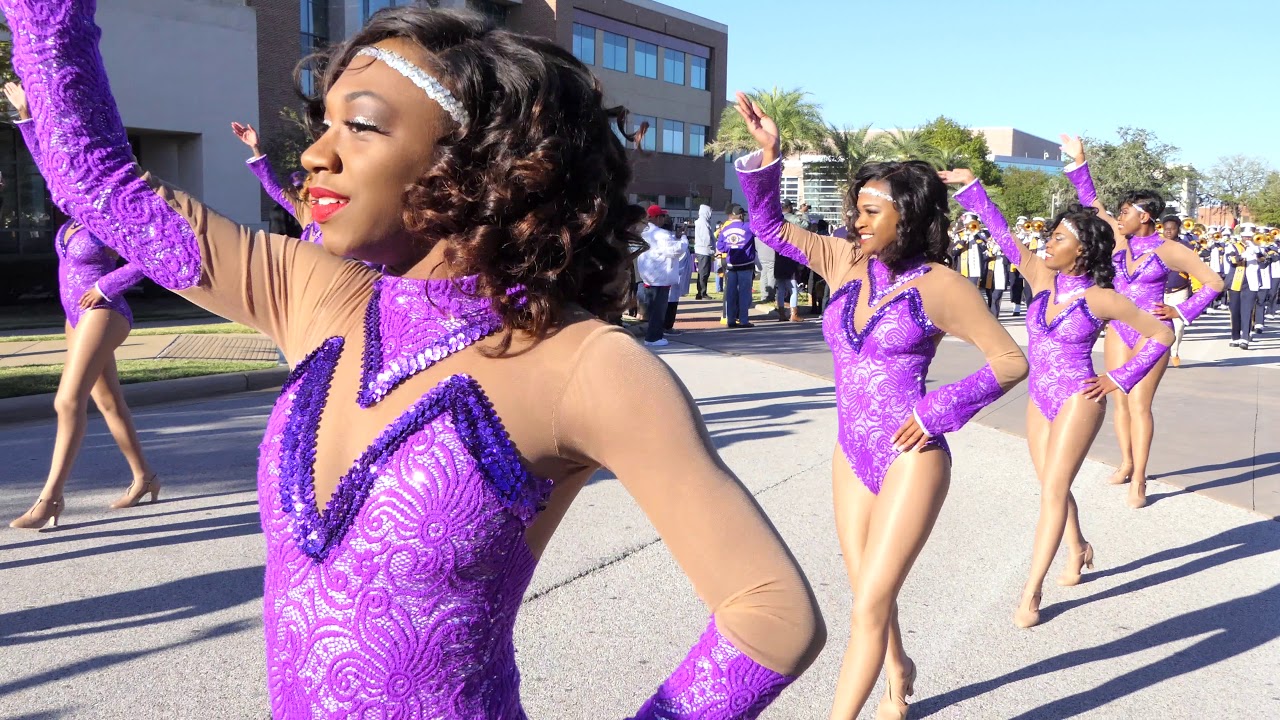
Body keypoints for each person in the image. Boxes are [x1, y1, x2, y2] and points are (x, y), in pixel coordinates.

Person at [7, 4, 826, 715]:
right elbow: (99, 185)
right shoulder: (315, 295)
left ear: (476, 158)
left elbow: (770, 614)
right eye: (323, 123)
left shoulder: (583, 362)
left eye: (360, 125)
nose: (316, 154)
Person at [733, 93, 1027, 720]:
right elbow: (769, 228)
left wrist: (934, 412)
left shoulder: (944, 286)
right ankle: (897, 668)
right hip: (851, 452)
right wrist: (768, 156)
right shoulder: (844, 260)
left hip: (910, 455)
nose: (857, 221)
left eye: (870, 211)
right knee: (867, 589)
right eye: (855, 210)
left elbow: (1010, 361)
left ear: (908, 216)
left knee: (868, 605)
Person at [945, 169, 1172, 629]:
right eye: (1050, 236)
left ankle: (1031, 591)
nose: (1048, 243)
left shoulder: (1102, 298)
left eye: (1059, 238)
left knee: (1052, 490)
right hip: (1039, 396)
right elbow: (1004, 236)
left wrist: (1120, 377)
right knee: (1052, 485)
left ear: (1082, 250)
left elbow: (1161, 334)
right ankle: (1079, 547)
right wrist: (973, 190)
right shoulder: (1041, 279)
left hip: (1078, 397)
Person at [3, 82, 159, 529]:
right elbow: (47, 166)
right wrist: (26, 117)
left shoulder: (118, 211)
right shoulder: (76, 210)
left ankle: (51, 499)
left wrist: (108, 286)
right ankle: (145, 477)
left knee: (66, 400)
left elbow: (152, 257)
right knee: (109, 403)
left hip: (104, 311)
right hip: (76, 316)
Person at [1062, 136, 1223, 508]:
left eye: (1125, 212)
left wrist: (1181, 311)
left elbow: (1214, 282)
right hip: (1119, 330)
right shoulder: (1119, 241)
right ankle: (1126, 463)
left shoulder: (1170, 249)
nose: (1119, 218)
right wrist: (1080, 161)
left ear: (1144, 216)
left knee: (1139, 406)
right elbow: (1092, 202)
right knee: (1119, 401)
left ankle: (1140, 480)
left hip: (1152, 334)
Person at [231, 121, 320, 246]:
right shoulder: (304, 210)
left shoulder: (341, 210)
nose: (315, 195)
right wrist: (256, 148)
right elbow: (273, 187)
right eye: (310, 190)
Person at [637, 205, 688, 346]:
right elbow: (675, 250)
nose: (664, 219)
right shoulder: (661, 234)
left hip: (649, 276)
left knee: (653, 309)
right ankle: (653, 338)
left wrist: (676, 238)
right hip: (661, 276)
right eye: (662, 216)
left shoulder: (644, 233)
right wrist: (683, 238)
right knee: (659, 310)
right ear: (657, 218)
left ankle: (653, 336)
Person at [1160, 216, 1194, 366]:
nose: (1168, 231)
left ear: (1178, 230)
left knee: (1178, 325)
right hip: (1160, 291)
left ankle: (1174, 352)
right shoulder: (1157, 245)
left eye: (1172, 229)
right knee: (1159, 325)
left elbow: (1194, 269)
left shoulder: (1187, 247)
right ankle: (1160, 354)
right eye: (1166, 229)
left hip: (1179, 290)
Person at [717, 204, 757, 328]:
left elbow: (720, 247)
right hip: (746, 264)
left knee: (731, 293)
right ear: (741, 215)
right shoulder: (749, 227)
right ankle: (743, 320)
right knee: (744, 294)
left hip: (731, 265)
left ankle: (730, 320)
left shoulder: (725, 229)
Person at [1224, 227, 1263, 349]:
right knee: (1235, 311)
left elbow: (1264, 262)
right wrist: (1244, 255)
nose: (1248, 239)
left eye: (1250, 236)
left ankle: (1245, 337)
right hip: (1235, 282)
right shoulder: (1232, 247)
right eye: (1246, 236)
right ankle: (1235, 336)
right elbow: (1232, 260)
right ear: (1241, 236)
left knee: (1247, 310)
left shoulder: (1257, 247)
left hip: (1251, 283)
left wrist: (1257, 252)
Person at [694, 203, 714, 299]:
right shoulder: (704, 223)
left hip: (701, 250)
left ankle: (700, 292)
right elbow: (707, 238)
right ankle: (702, 292)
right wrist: (712, 248)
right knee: (704, 272)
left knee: (702, 272)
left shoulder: (701, 222)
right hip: (704, 250)